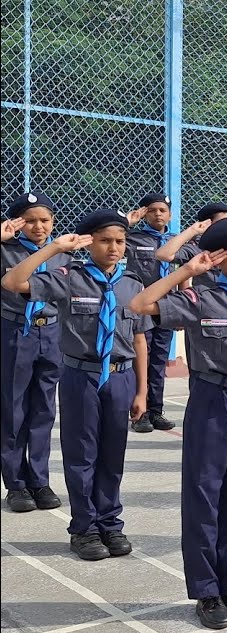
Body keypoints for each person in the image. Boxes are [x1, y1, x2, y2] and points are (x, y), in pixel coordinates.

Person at [129, 217, 227, 629]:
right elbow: (140, 306)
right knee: (203, 498)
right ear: (219, 258)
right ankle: (207, 591)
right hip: (211, 402)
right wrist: (187, 272)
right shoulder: (199, 300)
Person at [2, 209, 149, 559]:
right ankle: (84, 528)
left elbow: (140, 339)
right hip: (81, 376)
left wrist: (142, 390)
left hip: (120, 377)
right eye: (104, 241)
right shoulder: (69, 277)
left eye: (119, 241)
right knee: (82, 455)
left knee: (113, 457)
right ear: (89, 243)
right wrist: (52, 249)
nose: (113, 248)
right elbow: (12, 283)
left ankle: (110, 523)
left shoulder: (133, 286)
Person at [0, 192, 65, 513]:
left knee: (43, 408)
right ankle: (16, 484)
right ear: (16, 223)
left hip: (51, 332)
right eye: (30, 220)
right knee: (13, 407)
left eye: (45, 220)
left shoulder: (62, 255)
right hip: (14, 332)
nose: (38, 227)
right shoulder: (5, 250)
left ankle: (39, 479)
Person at [125, 192, 203, 433]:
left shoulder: (175, 241)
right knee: (141, 359)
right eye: (152, 210)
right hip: (142, 306)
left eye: (163, 210)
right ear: (144, 214)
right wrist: (129, 221)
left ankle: (156, 410)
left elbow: (184, 272)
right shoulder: (132, 238)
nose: (158, 214)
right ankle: (140, 413)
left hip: (167, 306)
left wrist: (182, 303)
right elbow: (107, 234)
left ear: (170, 214)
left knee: (159, 359)